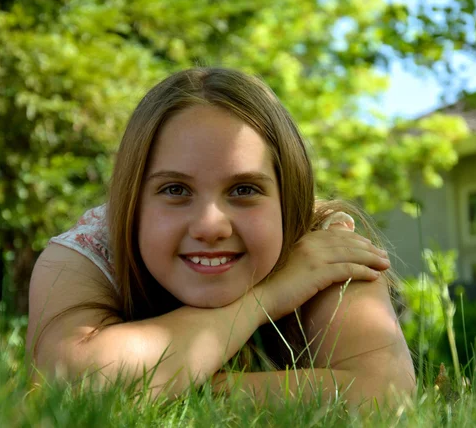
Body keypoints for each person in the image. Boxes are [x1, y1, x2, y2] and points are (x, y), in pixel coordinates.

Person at [26, 67, 415, 408]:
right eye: (175, 190)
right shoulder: (87, 252)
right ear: (133, 201)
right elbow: (70, 384)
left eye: (244, 190)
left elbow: (383, 393)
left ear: (288, 197)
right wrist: (267, 296)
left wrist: (165, 386)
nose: (210, 226)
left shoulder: (322, 247)